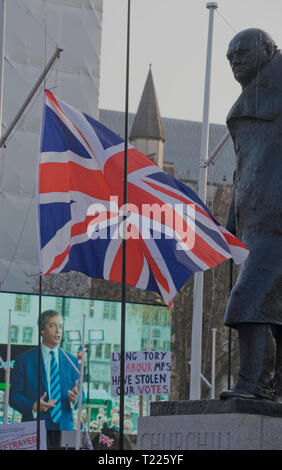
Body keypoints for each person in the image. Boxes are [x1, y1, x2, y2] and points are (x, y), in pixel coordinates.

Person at [220, 28, 282, 401]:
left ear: (266, 49)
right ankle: (271, 387)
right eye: (229, 58)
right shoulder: (251, 99)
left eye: (241, 53)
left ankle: (254, 384)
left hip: (276, 221)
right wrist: (232, 217)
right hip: (256, 221)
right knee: (274, 309)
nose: (234, 61)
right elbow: (246, 167)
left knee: (248, 301)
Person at [9, 309, 83, 449]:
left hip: (66, 428)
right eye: (53, 325)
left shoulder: (72, 362)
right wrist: (33, 406)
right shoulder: (24, 360)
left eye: (60, 326)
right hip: (34, 427)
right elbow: (13, 397)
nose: (58, 331)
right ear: (42, 330)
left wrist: (76, 398)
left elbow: (82, 396)